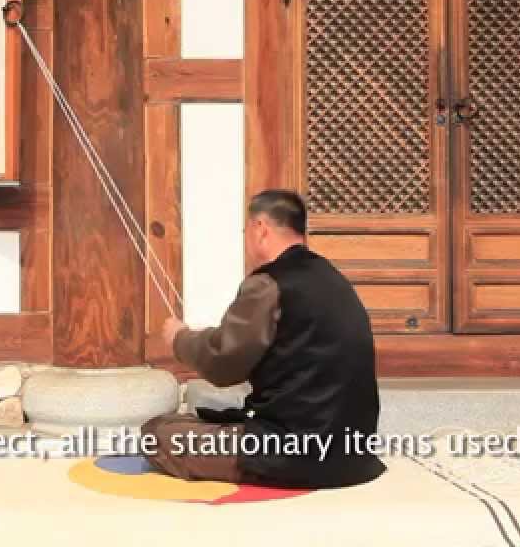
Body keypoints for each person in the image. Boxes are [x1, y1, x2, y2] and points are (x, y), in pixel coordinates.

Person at [141, 189, 387, 489]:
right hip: (354, 454)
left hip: (292, 454)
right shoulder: (334, 279)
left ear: (260, 229)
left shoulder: (268, 284)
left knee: (158, 433)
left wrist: (179, 337)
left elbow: (222, 363)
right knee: (211, 417)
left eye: (246, 231)